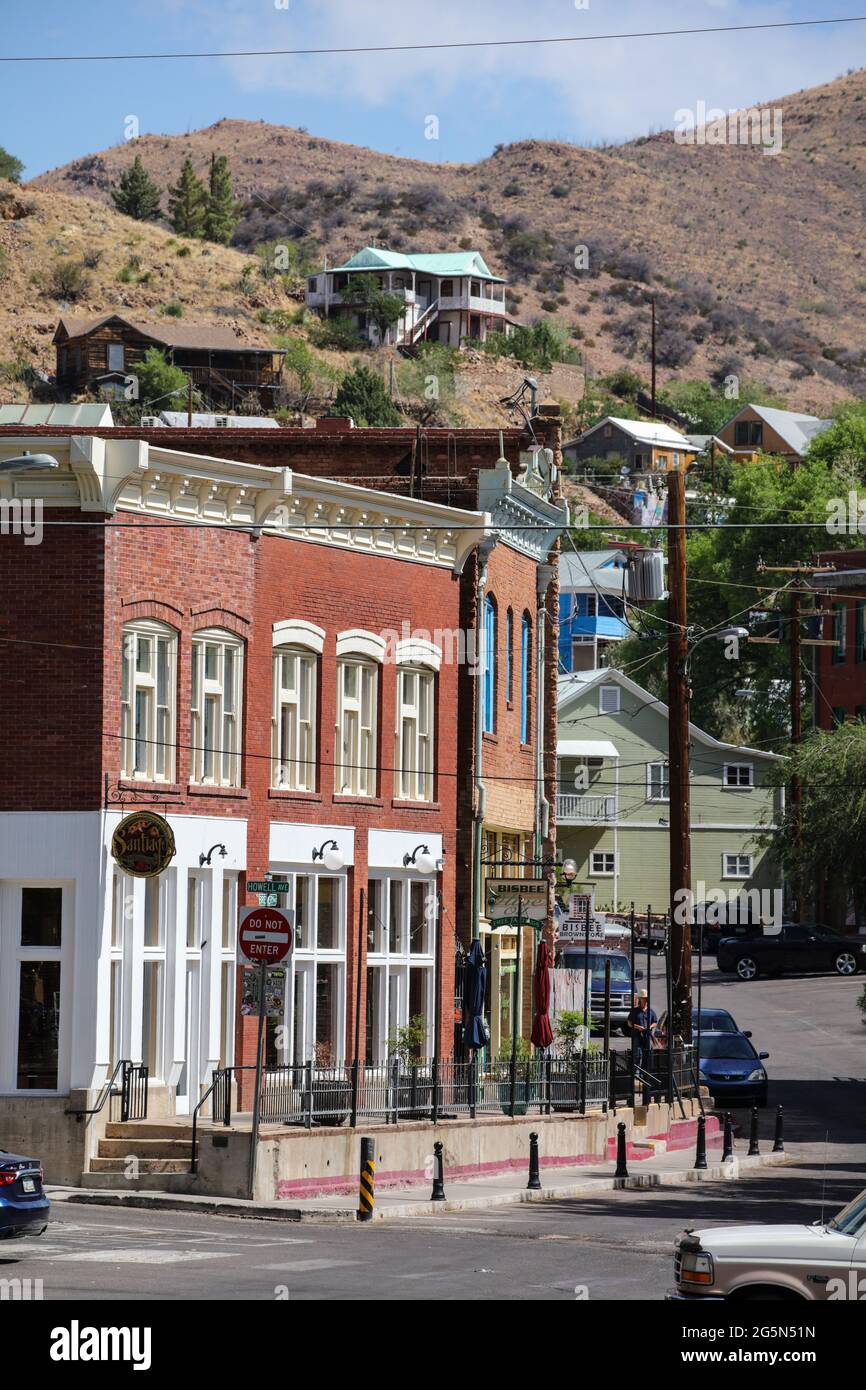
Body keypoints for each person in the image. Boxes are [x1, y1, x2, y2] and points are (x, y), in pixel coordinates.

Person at [627, 991, 657, 1069]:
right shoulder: (635, 1011)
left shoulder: (651, 1011)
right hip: (637, 1035)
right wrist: (637, 1027)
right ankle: (636, 1074)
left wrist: (650, 1027)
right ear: (640, 999)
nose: (645, 1000)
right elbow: (629, 1023)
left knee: (648, 1054)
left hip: (647, 1035)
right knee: (638, 1054)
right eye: (643, 998)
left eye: (646, 998)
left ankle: (646, 1073)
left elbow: (655, 1022)